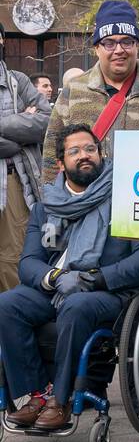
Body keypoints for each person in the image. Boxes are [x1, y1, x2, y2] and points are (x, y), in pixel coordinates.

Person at [0, 125, 139, 429]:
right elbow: (28, 263)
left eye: (90, 149)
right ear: (61, 163)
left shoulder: (129, 195)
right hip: (57, 287)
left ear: (100, 154)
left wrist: (94, 278)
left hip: (108, 291)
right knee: (6, 304)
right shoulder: (46, 205)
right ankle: (36, 393)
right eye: (74, 152)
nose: (84, 156)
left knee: (77, 307)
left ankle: (60, 402)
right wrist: (52, 277)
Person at [41, 0, 139, 184]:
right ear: (97, 48)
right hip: (86, 204)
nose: (119, 50)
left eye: (127, 42)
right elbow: (51, 152)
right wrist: (51, 202)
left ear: (138, 45)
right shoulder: (74, 89)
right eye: (109, 43)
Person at [0, 41, 52, 292]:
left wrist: (2, 124)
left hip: (13, 182)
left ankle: (11, 320)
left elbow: (44, 121)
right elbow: (28, 125)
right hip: (11, 158)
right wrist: (18, 125)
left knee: (13, 256)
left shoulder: (17, 81)